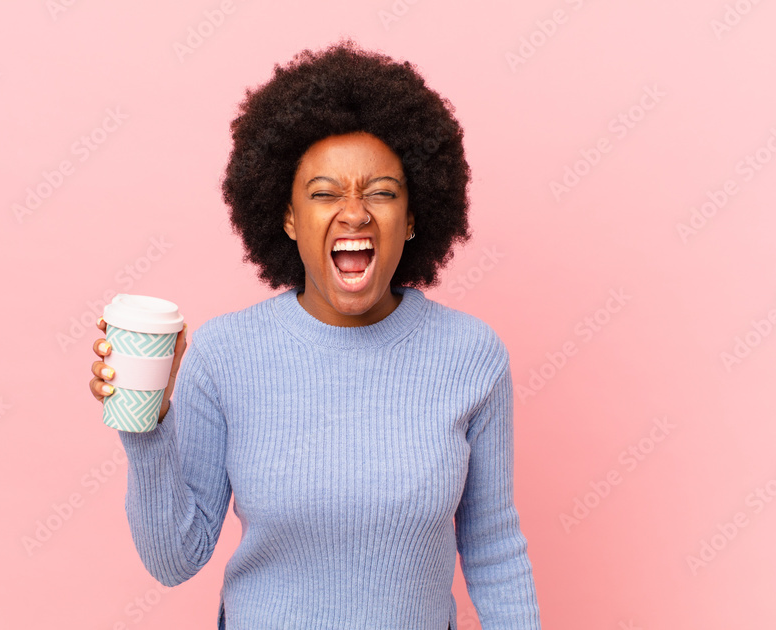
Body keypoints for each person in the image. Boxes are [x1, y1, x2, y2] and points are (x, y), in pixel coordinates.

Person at [89, 38, 542, 629]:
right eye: (324, 193)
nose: (354, 213)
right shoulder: (224, 356)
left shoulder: (472, 357)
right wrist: (144, 423)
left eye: (381, 193)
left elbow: (493, 547)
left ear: (411, 219)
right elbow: (175, 559)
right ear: (287, 217)